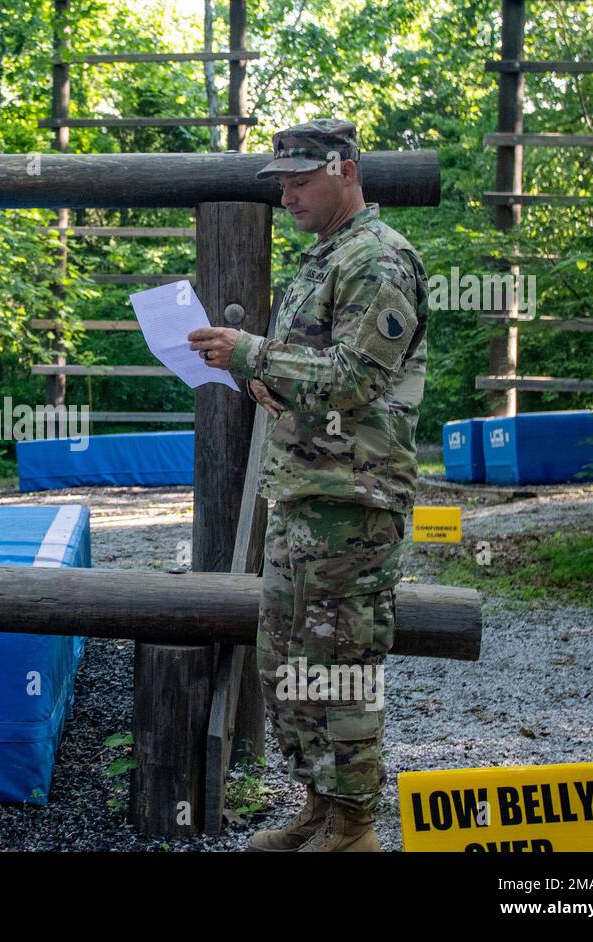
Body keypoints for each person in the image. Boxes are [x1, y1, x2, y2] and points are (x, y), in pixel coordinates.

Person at [188, 119, 428, 852]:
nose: (285, 192)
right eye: (280, 181)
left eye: (299, 178)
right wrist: (266, 379)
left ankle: (355, 828)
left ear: (345, 171)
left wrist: (255, 353)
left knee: (343, 668)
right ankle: (320, 809)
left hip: (352, 508)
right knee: (290, 665)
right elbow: (314, 374)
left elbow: (356, 378)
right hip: (303, 497)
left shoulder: (379, 261)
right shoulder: (325, 259)